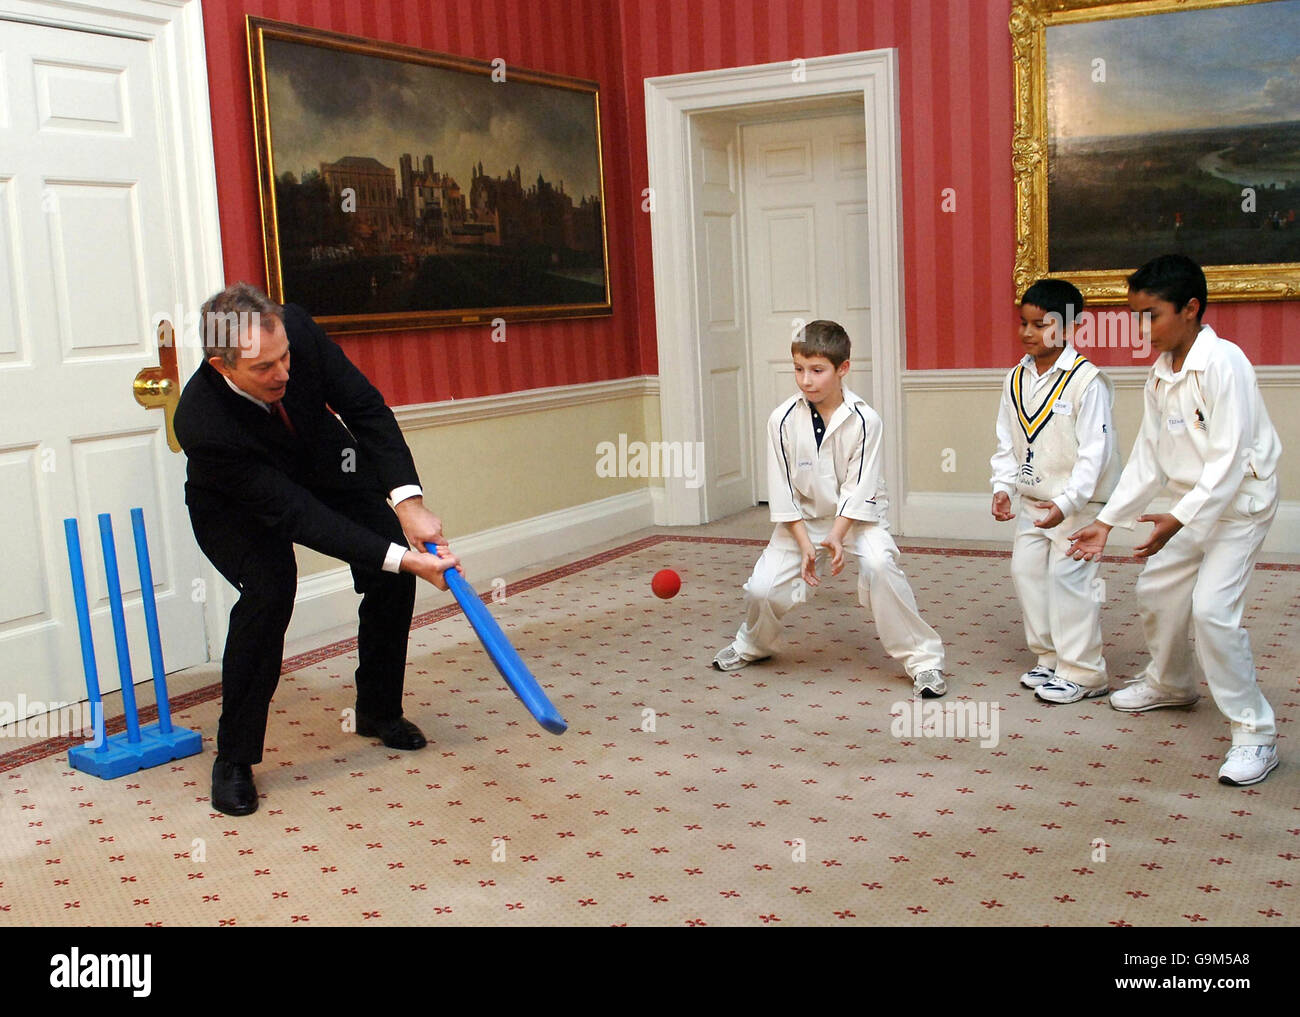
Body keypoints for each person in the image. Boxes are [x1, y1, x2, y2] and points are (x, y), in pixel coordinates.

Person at [174, 283, 458, 816]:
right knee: (270, 590)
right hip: (235, 502)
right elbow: (300, 518)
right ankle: (234, 758)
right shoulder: (201, 422)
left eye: (285, 357)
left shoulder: (295, 329)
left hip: (326, 461)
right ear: (222, 366)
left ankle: (377, 709)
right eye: (265, 368)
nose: (284, 372)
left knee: (390, 563)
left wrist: (409, 503)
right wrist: (408, 558)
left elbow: (365, 408)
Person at [1067, 255, 1283, 787]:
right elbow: (1148, 455)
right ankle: (1171, 683)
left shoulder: (1224, 363)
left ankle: (1255, 734)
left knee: (1212, 612)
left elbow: (1229, 460)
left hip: (1239, 507)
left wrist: (1179, 520)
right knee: (1158, 590)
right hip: (1188, 506)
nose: (1143, 329)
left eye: (1152, 315)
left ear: (1190, 309)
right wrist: (1109, 521)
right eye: (1136, 316)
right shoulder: (1161, 372)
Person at [712, 320, 947, 698]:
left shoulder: (866, 420)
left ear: (843, 369)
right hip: (802, 521)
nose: (806, 380)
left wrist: (836, 537)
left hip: (858, 521)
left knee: (879, 566)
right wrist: (806, 544)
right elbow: (783, 491)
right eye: (799, 369)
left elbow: (860, 488)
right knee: (761, 590)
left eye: (817, 370)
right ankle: (754, 645)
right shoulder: (782, 419)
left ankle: (925, 662)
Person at [990, 279, 1120, 704]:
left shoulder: (1087, 382)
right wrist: (1003, 486)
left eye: (1040, 325)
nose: (1028, 333)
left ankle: (1084, 672)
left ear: (1069, 328)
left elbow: (1094, 454)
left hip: (1076, 507)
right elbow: (1007, 442)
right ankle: (1049, 657)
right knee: (1026, 574)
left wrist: (1068, 504)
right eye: (1023, 323)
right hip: (1033, 500)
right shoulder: (1015, 378)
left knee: (1070, 581)